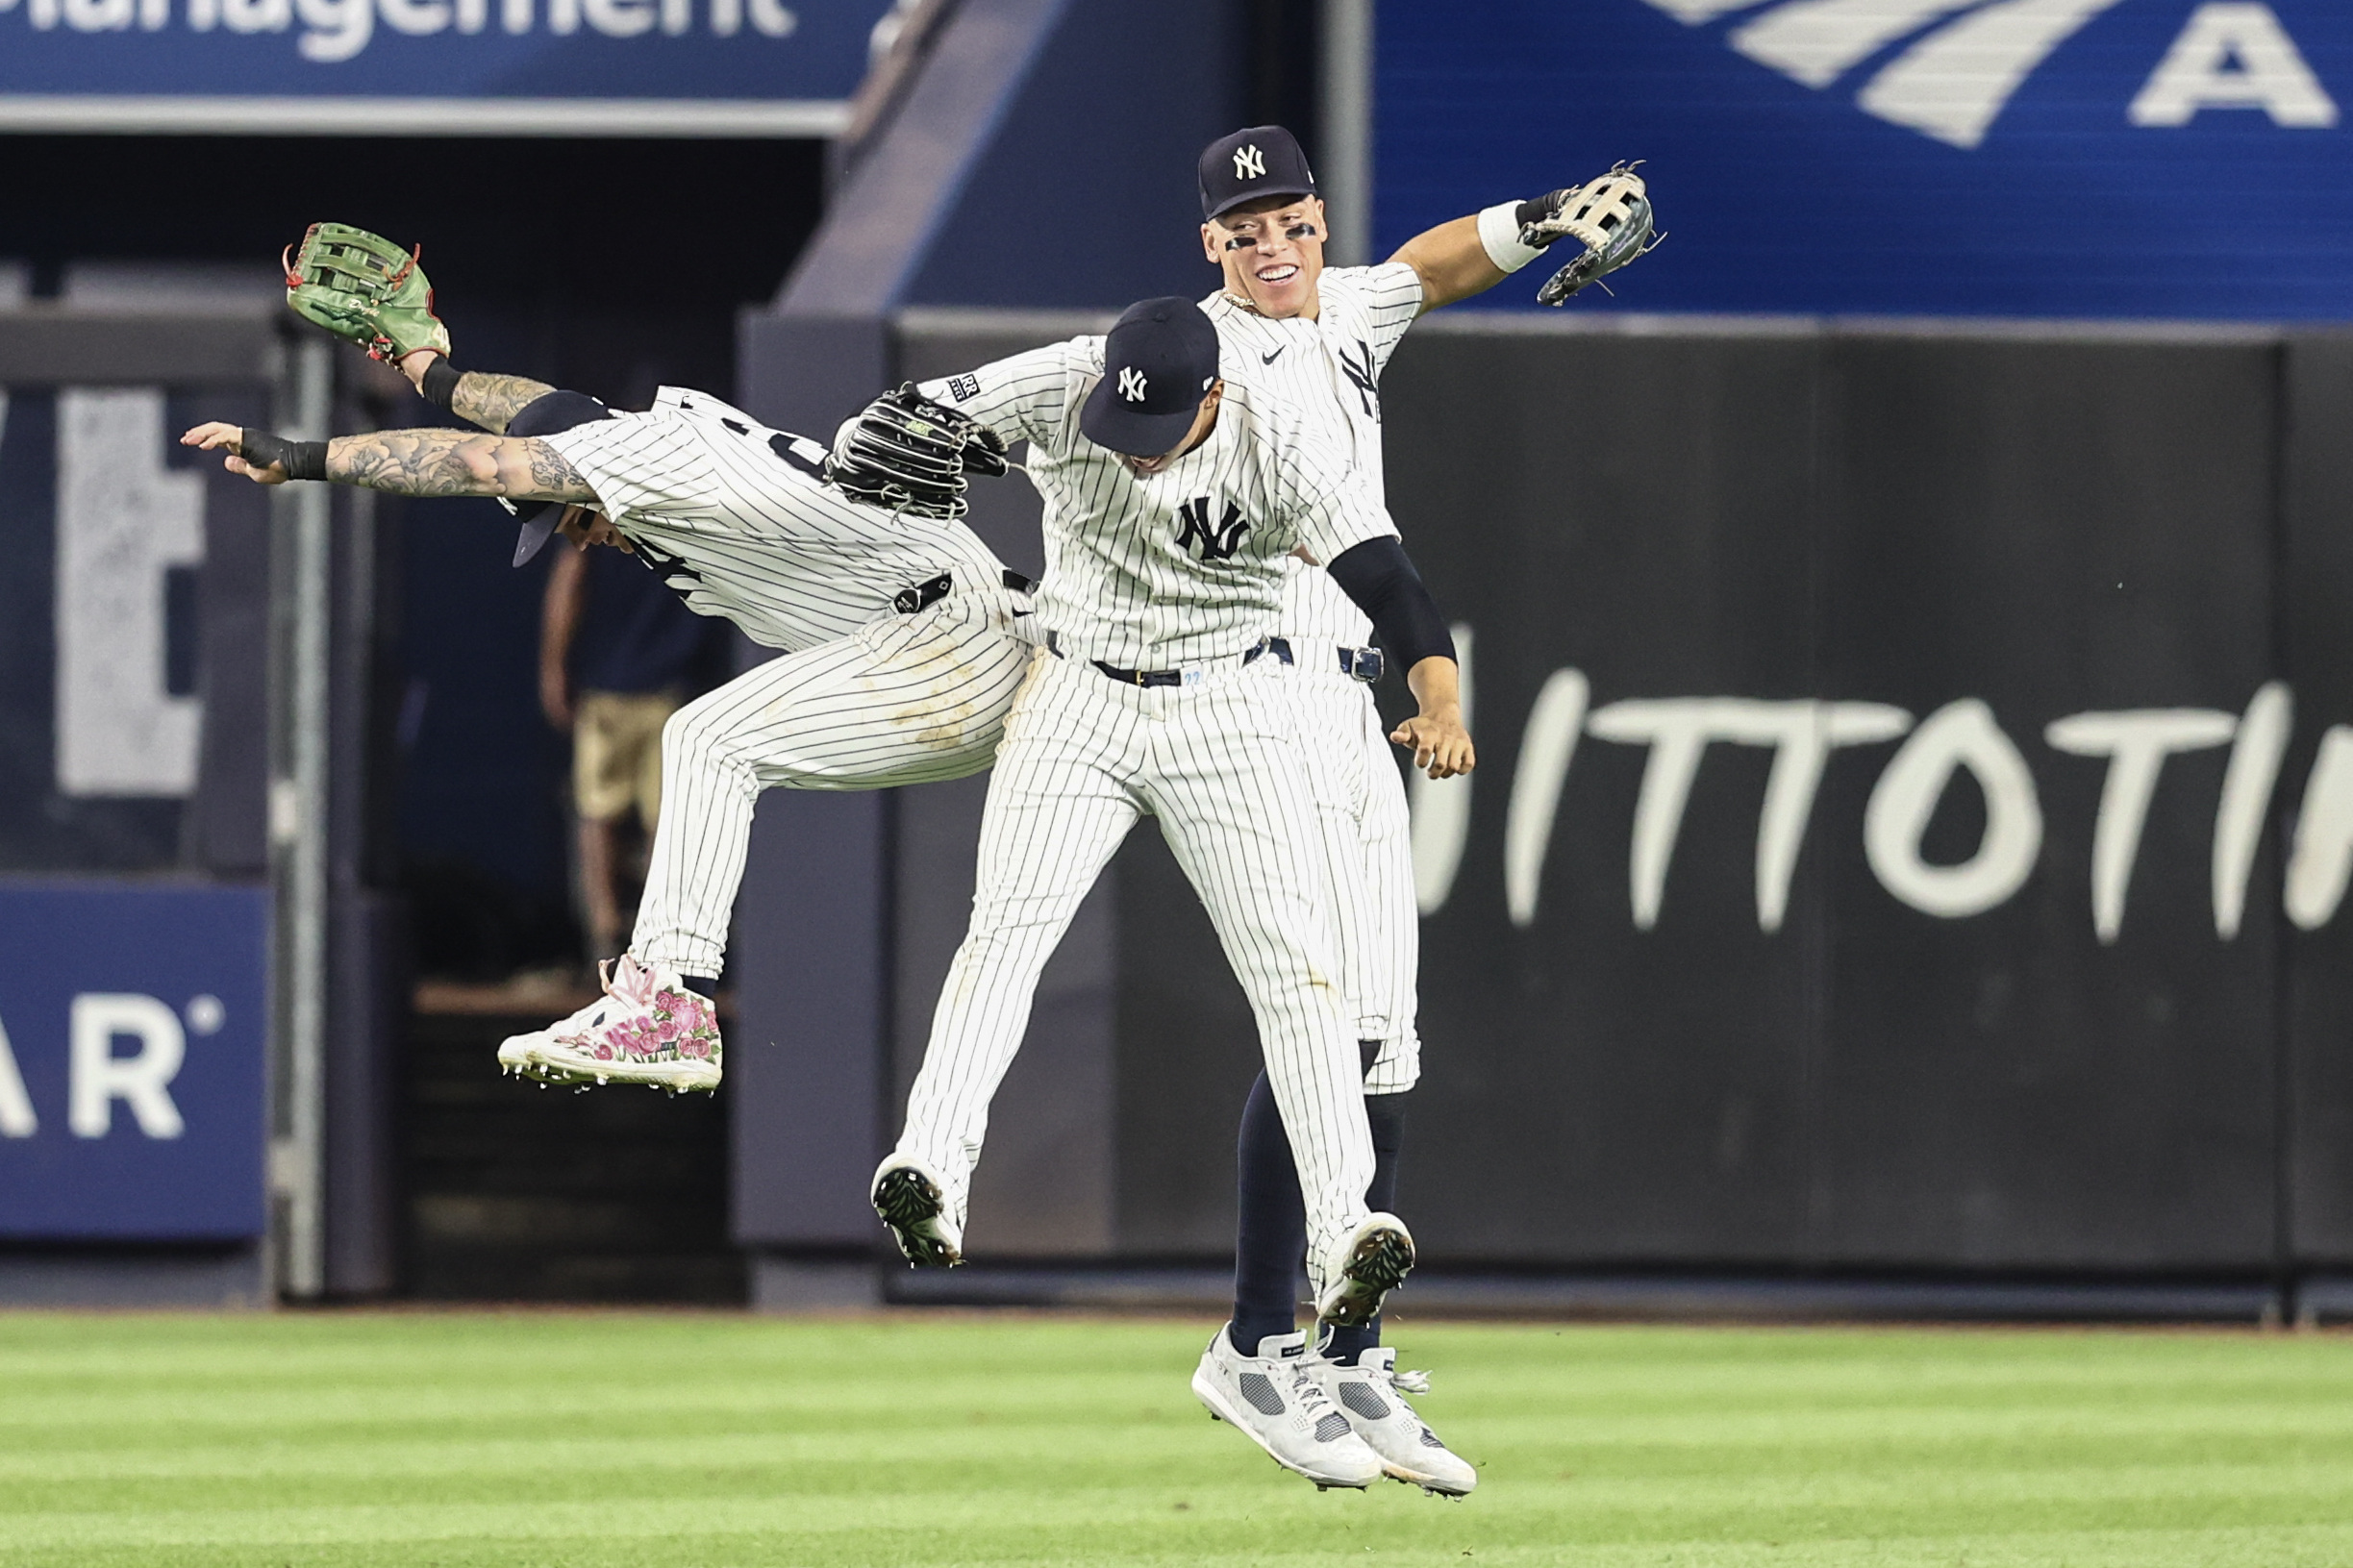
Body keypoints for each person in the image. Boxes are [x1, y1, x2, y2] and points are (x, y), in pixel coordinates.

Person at [868, 296, 1475, 1488]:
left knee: (1299, 975)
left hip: (1221, 709)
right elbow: (902, 424)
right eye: (1119, 418)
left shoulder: (1283, 442)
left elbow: (1397, 587)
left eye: (1157, 422)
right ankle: (931, 1167)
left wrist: (1440, 699)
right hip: (1076, 697)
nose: (1131, 440)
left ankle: (1343, 1228)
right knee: (1005, 933)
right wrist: (885, 451)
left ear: (1211, 394)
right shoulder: (1066, 381)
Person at [184, 264, 1036, 1092]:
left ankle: (662, 1005)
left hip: (949, 643)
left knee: (709, 739)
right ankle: (655, 996)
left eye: (568, 517)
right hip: (958, 632)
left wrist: (301, 458)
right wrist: (430, 370)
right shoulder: (628, 435)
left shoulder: (642, 463)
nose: (579, 537)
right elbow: (536, 412)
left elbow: (484, 463)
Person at [1180, 124, 1637, 1495]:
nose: (1270, 243)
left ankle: (1345, 1341)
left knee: (1384, 1040)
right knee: (1314, 1015)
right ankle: (1258, 1337)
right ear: (1208, 242)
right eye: (1242, 226)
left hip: (1348, 692)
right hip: (1246, 692)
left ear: (1317, 220)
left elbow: (1425, 272)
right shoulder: (1192, 350)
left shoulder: (1344, 303)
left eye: (1288, 219)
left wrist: (1545, 207)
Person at [540, 523, 731, 968]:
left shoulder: (597, 509)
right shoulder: (685, 508)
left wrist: (553, 669)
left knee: (614, 817)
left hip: (645, 687)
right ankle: (630, 944)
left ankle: (623, 943)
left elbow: (568, 581)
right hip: (658, 687)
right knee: (650, 821)